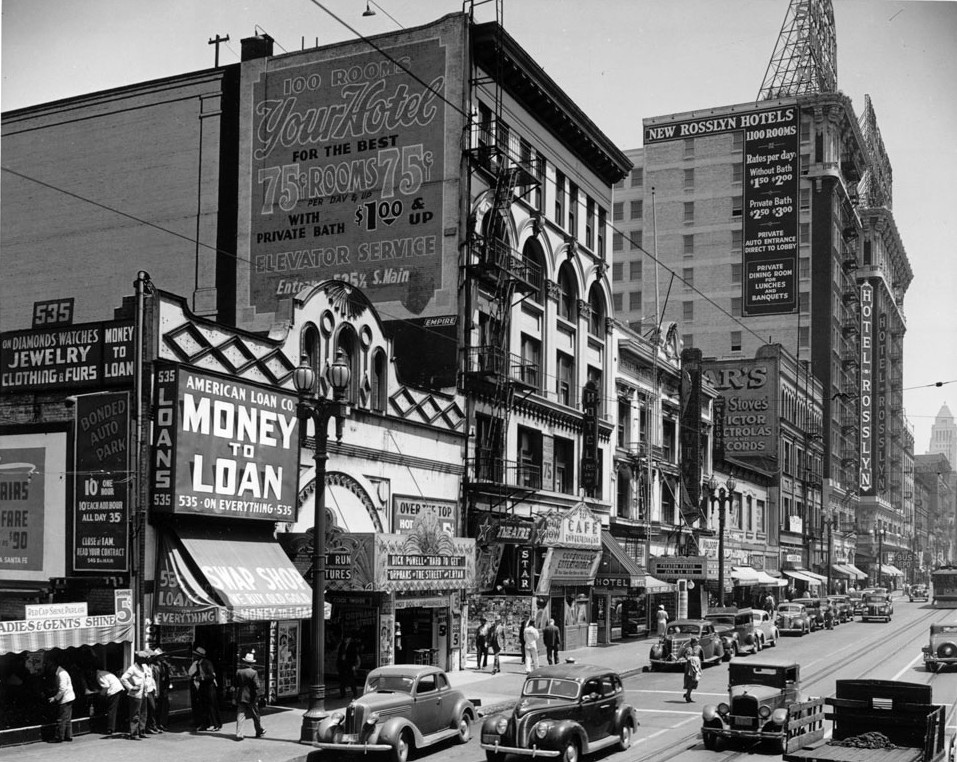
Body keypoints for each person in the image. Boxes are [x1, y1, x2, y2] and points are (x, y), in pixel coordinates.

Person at [234, 653, 266, 741]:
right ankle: (259, 731)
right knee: (255, 715)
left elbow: (236, 684)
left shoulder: (239, 671)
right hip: (251, 697)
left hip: (241, 696)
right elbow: (257, 686)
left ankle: (239, 734)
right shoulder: (253, 672)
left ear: (245, 662)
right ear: (252, 663)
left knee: (240, 715)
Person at [120, 651, 150, 740]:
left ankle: (142, 731)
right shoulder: (132, 668)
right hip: (136, 694)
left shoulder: (144, 667)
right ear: (138, 659)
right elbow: (123, 678)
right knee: (135, 714)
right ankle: (133, 733)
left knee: (143, 713)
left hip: (143, 693)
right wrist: (131, 687)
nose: (144, 661)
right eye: (143, 659)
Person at [190, 646, 221, 732]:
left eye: (195, 655)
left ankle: (216, 724)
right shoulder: (197, 664)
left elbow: (212, 675)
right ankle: (204, 724)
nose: (194, 656)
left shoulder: (207, 663)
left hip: (209, 686)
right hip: (202, 687)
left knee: (211, 705)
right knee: (203, 706)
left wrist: (202, 678)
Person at [47, 659, 75, 743]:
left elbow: (62, 689)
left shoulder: (61, 674)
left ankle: (59, 737)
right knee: (67, 718)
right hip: (69, 697)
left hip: (65, 698)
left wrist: (55, 698)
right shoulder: (61, 672)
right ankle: (68, 736)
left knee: (62, 718)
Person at [94, 668, 124, 737]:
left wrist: (100, 695)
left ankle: (110, 728)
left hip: (113, 690)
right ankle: (113, 727)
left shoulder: (99, 675)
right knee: (114, 709)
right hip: (118, 689)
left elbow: (106, 686)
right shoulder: (104, 672)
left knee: (112, 710)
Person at [151, 649, 172, 732]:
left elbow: (167, 678)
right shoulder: (153, 666)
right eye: (161, 656)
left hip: (163, 689)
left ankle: (162, 723)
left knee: (163, 707)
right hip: (156, 688)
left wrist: (166, 688)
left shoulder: (164, 665)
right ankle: (155, 724)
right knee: (155, 707)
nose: (163, 657)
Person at [680, 637, 704, 703]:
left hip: (696, 666)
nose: (697, 643)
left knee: (694, 681)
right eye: (696, 642)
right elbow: (684, 655)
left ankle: (688, 694)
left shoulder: (699, 648)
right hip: (690, 667)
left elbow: (701, 657)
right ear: (693, 643)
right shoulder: (688, 649)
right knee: (690, 681)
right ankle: (688, 696)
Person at [143, 651, 160, 734]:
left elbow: (152, 679)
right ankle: (148, 727)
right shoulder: (144, 667)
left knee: (152, 709)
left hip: (151, 689)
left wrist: (155, 690)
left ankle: (153, 725)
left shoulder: (150, 667)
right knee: (150, 708)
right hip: (147, 691)